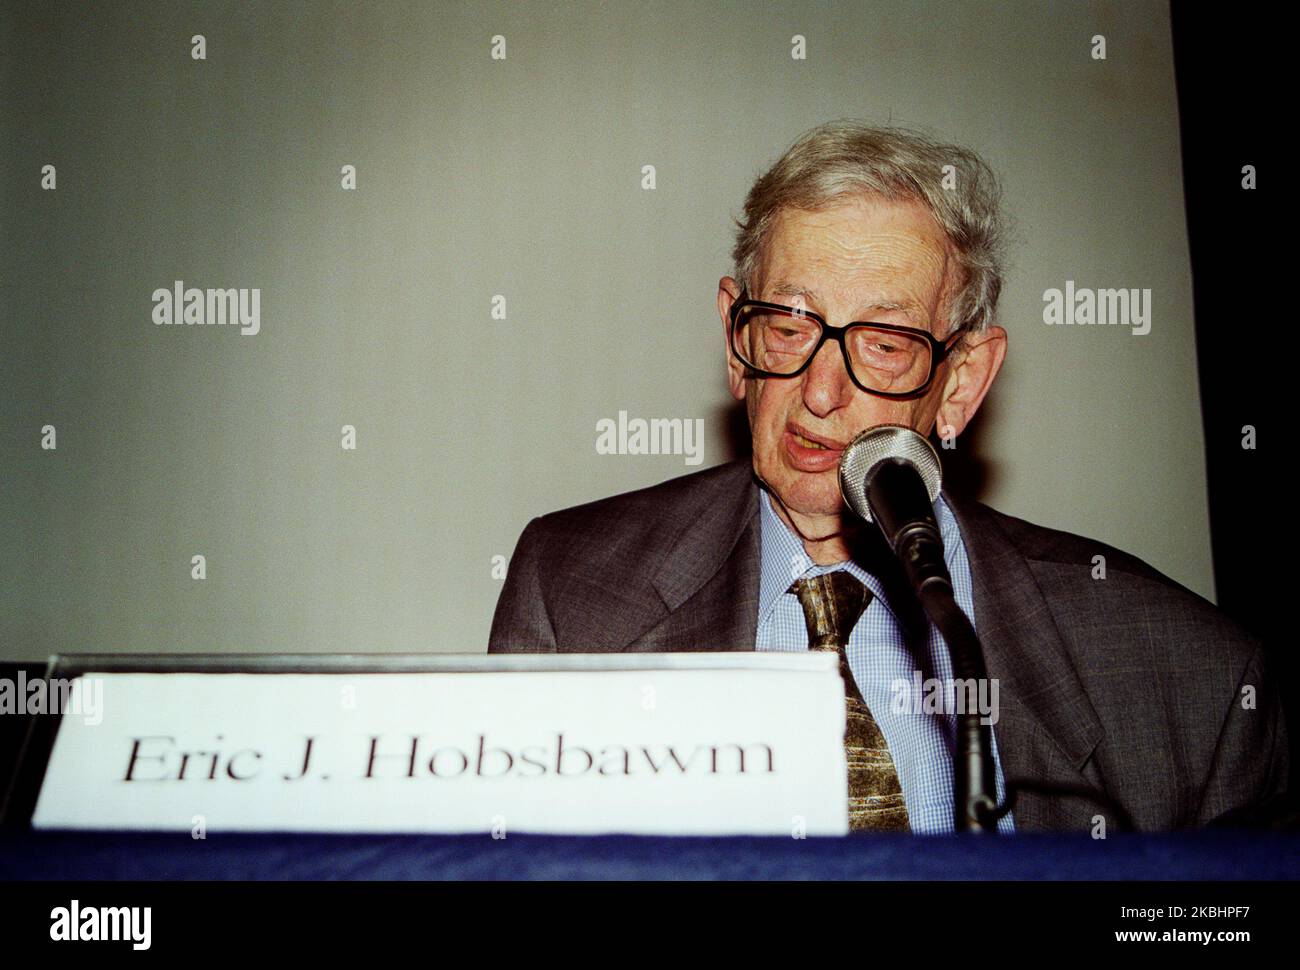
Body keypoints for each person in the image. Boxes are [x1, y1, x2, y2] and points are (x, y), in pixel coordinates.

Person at [488, 121, 1286, 833]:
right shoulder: (574, 592)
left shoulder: (1194, 678)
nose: (822, 390)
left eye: (884, 343)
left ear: (963, 381)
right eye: (788, 324)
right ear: (737, 342)